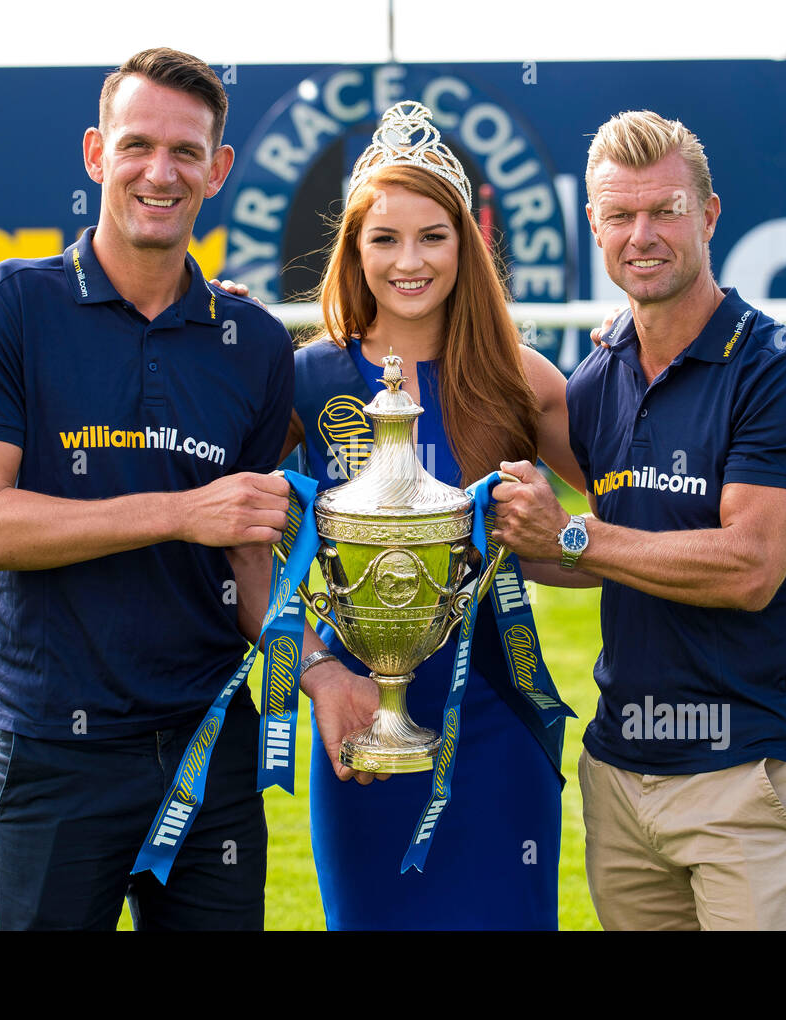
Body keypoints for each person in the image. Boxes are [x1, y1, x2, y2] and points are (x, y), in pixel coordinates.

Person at [0, 47, 374, 931]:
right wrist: (180, 511)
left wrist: (322, 672)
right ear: (97, 154)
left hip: (211, 744)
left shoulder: (249, 341)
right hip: (56, 753)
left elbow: (252, 559)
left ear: (219, 170)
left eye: (186, 152)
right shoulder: (3, 307)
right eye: (138, 145)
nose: (159, 172)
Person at [492, 110, 786, 931]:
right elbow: (599, 551)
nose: (641, 234)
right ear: (594, 224)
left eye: (665, 211)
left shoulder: (780, 374)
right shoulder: (597, 375)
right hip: (619, 775)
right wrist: (485, 542)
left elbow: (750, 568)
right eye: (620, 215)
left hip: (749, 772)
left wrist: (572, 533)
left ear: (710, 214)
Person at [274, 101, 590, 930]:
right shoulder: (303, 381)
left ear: (466, 245)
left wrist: (560, 538)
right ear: (355, 248)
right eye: (384, 239)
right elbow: (245, 548)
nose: (408, 261)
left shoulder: (520, 378)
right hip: (358, 733)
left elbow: (610, 529)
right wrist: (316, 672)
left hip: (495, 722)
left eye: (432, 237)